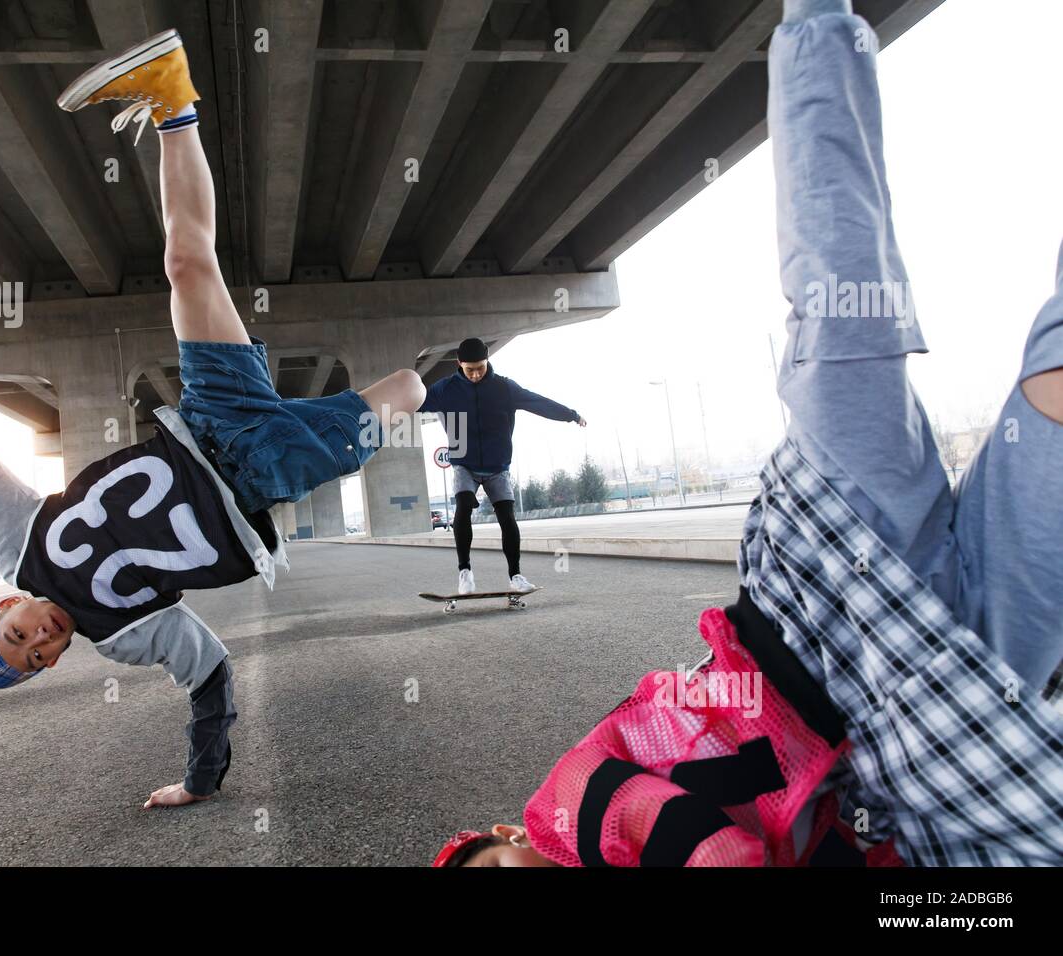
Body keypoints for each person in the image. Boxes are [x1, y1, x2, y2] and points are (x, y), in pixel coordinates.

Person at [435, 0, 1063, 867]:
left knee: (845, 291)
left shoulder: (567, 806)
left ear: (508, 835)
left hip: (825, 607)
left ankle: (814, 19)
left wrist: (542, 414)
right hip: (942, 718)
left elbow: (715, 852)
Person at [0, 28, 425, 812]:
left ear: (4, 608)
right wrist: (199, 781)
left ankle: (174, 96)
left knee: (188, 264)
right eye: (40, 658)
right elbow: (210, 676)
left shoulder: (16, 542)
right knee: (411, 387)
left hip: (209, 415)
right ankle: (436, 394)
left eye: (19, 637)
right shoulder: (125, 636)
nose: (43, 640)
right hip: (266, 470)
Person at [419, 337, 586, 595]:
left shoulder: (504, 388)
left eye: (480, 368)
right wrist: (377, 415)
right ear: (459, 364)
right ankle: (465, 573)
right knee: (463, 507)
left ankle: (516, 576)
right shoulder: (445, 390)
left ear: (488, 362)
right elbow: (414, 401)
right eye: (470, 369)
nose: (475, 375)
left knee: (506, 517)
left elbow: (538, 402)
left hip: (497, 465)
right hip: (464, 463)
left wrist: (571, 415)